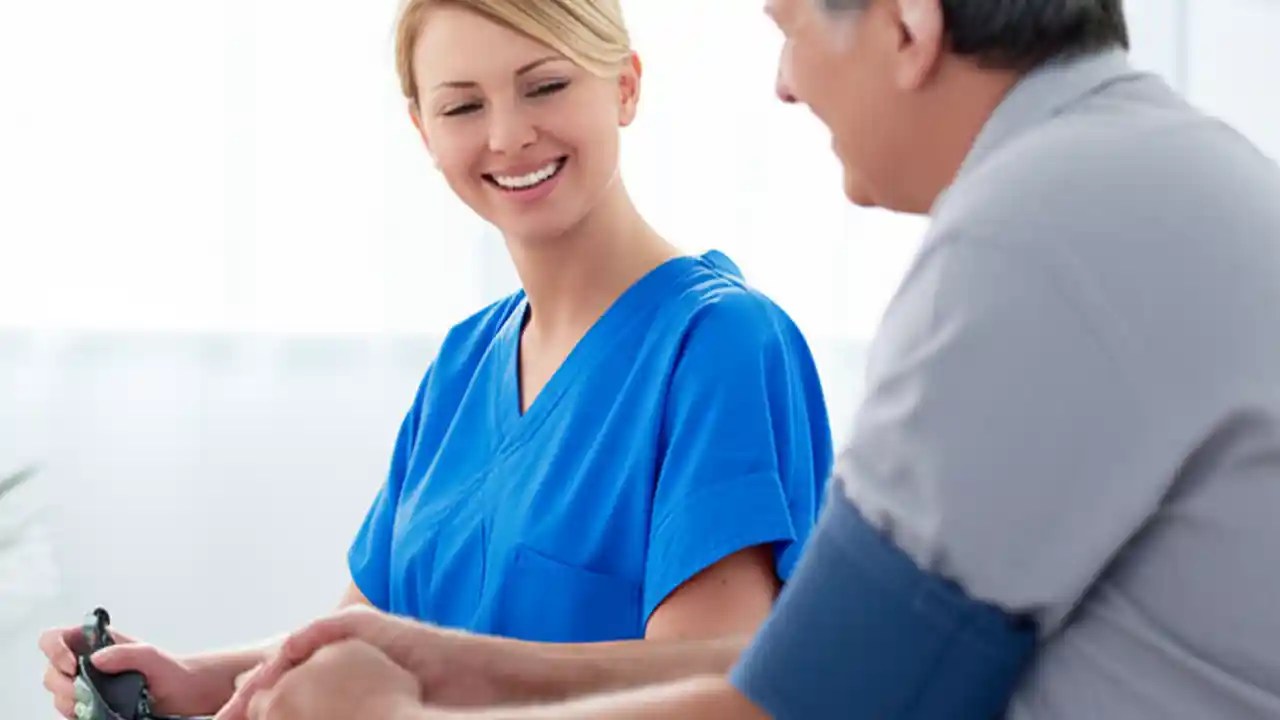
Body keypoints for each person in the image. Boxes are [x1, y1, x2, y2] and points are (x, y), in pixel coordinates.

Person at [212, 0, 1280, 718]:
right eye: (458, 104)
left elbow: (805, 701)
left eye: (785, 24)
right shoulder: (1153, 175)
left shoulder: (1033, 231)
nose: (781, 83)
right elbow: (841, 665)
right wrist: (438, 666)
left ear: (906, 25)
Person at [37, 1, 835, 717]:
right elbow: (374, 644)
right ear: (424, 131)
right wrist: (191, 679)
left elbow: (699, 693)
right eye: (462, 105)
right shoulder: (463, 366)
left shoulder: (721, 347)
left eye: (545, 86)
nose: (507, 135)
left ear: (625, 86)